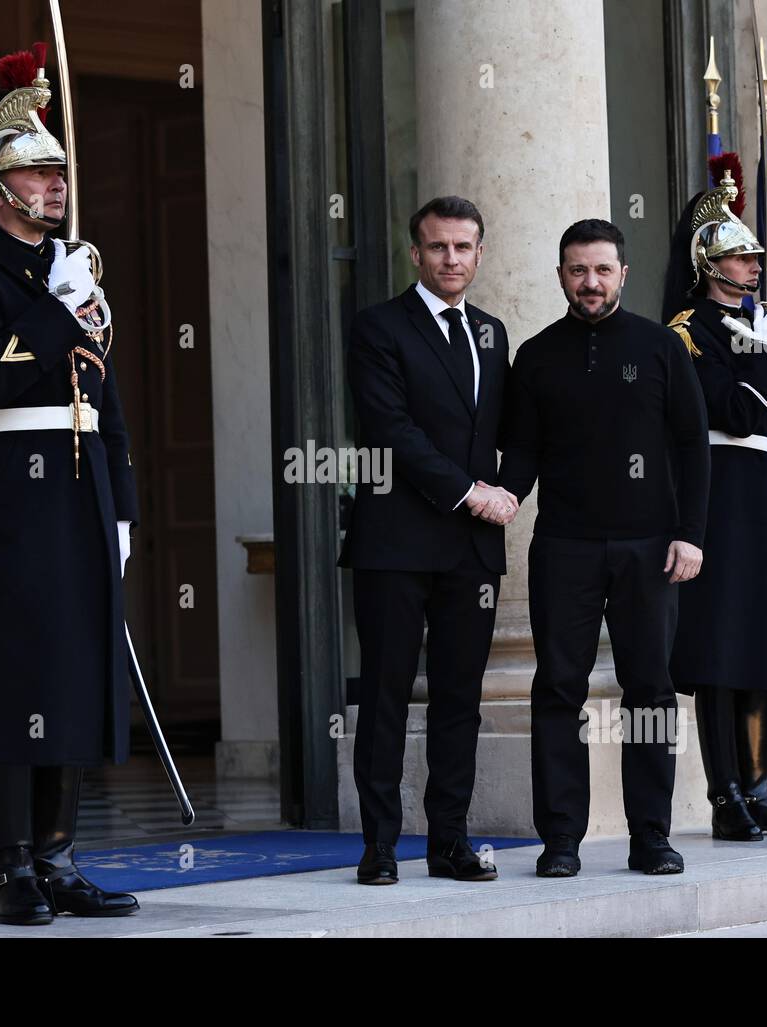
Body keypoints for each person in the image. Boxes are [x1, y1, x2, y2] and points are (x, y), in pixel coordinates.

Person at [0, 43, 140, 925]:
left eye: (56, 171)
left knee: (73, 667)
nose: (54, 186)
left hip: (78, 485)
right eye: (37, 173)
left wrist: (121, 499)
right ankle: (11, 864)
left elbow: (104, 393)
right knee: (16, 674)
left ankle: (59, 857)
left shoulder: (73, 265)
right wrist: (53, 305)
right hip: (5, 485)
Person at [499, 218, 709, 878]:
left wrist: (691, 533)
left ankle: (651, 835)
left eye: (602, 269)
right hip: (563, 545)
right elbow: (524, 452)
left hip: (650, 547)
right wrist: (498, 496)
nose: (590, 281)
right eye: (577, 269)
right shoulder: (535, 355)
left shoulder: (660, 347)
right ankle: (561, 837)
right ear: (561, 275)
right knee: (559, 687)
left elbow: (692, 446)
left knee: (649, 687)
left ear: (623, 273)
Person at [338, 195, 516, 885]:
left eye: (463, 247)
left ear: (479, 253)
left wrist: (515, 487)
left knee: (459, 700)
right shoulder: (379, 327)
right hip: (394, 542)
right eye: (438, 247)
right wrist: (473, 493)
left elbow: (510, 432)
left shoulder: (495, 333)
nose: (451, 259)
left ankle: (450, 841)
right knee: (384, 696)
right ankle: (379, 845)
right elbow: (391, 430)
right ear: (416, 252)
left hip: (470, 551)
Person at [662, 159, 767, 840]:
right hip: (720, 496)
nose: (753, 265)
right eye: (738, 255)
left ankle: (759, 788)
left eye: (755, 255)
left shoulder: (762, 328)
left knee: (763, 643)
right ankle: (724, 793)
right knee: (720, 647)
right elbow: (734, 409)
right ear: (708, 261)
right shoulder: (687, 330)